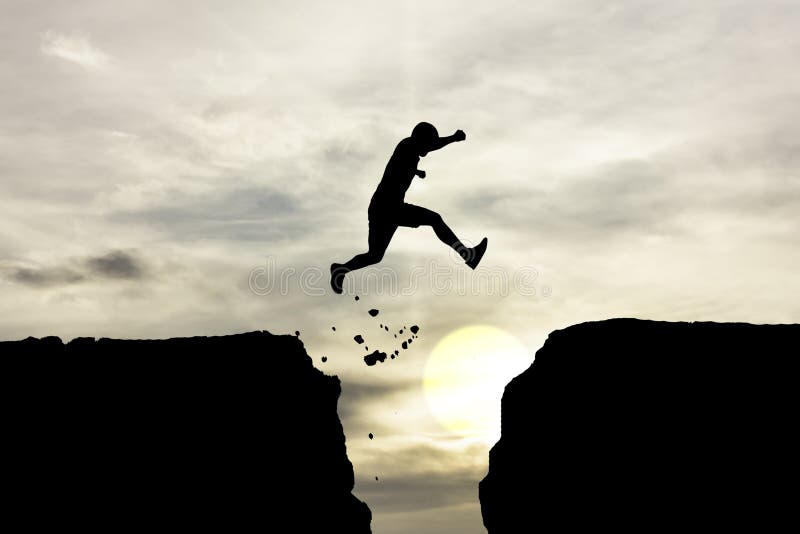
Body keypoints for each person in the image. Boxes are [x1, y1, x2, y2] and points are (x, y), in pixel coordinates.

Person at [330, 122, 488, 294]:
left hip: (379, 209)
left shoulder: (408, 152)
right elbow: (430, 146)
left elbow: (398, 169)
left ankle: (341, 270)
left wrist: (416, 172)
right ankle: (467, 255)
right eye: (428, 143)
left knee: (375, 256)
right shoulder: (408, 145)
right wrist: (453, 138)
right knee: (435, 219)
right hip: (389, 207)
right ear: (422, 139)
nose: (428, 150)